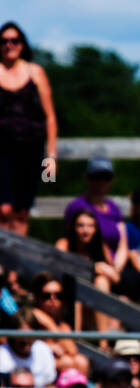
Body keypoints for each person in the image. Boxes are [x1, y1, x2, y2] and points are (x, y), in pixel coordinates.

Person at [0, 21, 56, 236]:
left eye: (14, 40)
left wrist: (51, 157)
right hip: (2, 151)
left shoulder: (35, 72)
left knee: (22, 211)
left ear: (22, 44)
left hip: (31, 150)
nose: (9, 45)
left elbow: (50, 116)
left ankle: (15, 269)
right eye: (4, 41)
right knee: (3, 210)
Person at [63, 157, 128, 276]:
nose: (101, 182)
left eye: (106, 177)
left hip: (116, 268)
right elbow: (70, 241)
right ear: (87, 178)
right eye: (97, 177)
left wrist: (116, 270)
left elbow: (123, 244)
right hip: (90, 266)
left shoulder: (114, 208)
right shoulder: (76, 207)